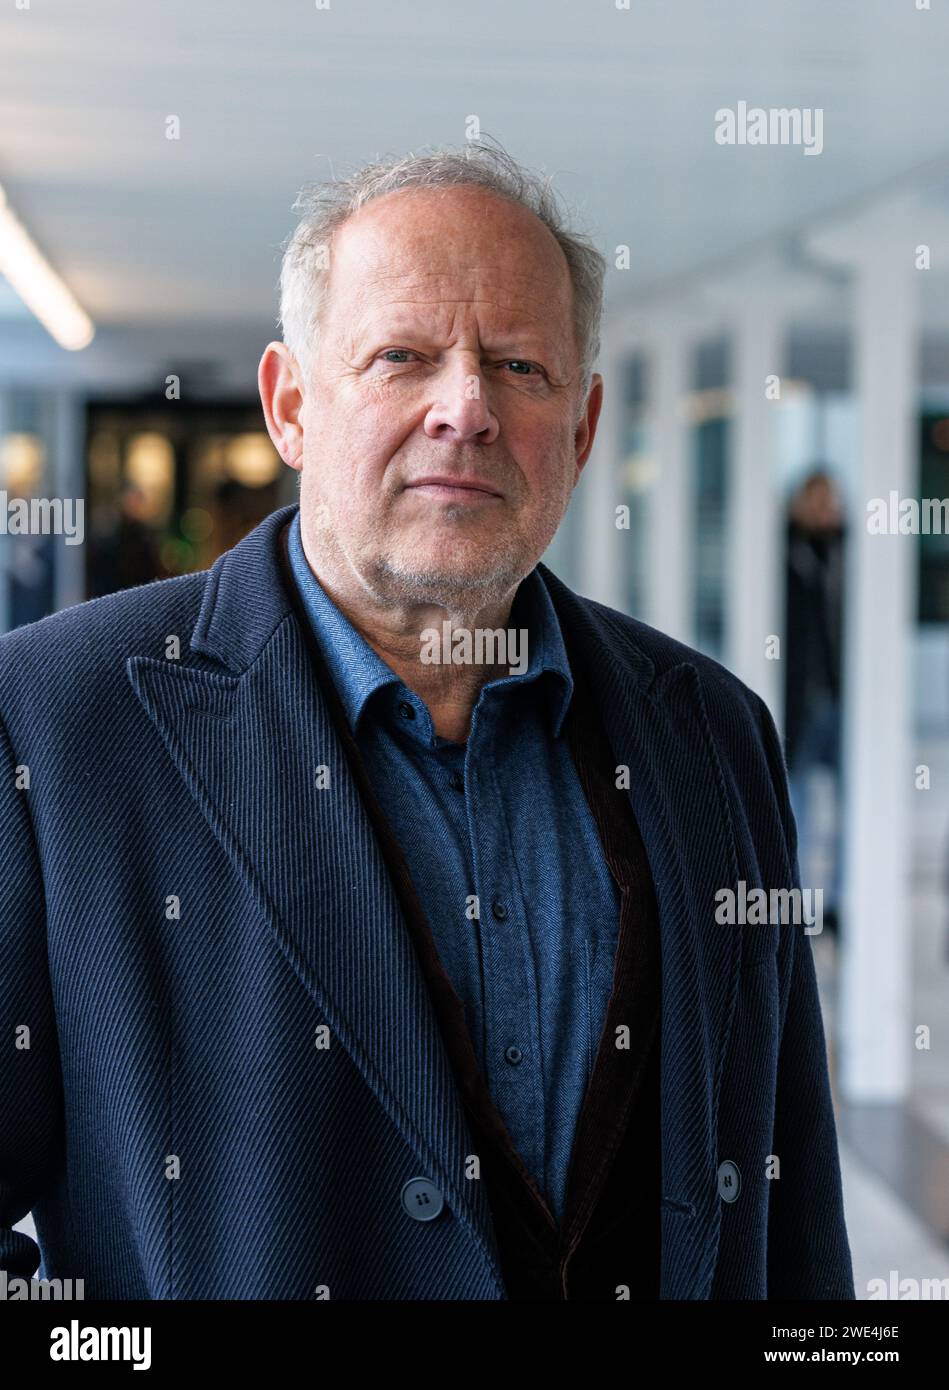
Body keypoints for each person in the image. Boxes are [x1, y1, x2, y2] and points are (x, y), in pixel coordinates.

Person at [0, 139, 854, 1300]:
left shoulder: (710, 731)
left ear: (583, 427)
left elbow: (789, 1210)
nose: (466, 409)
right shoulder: (55, 722)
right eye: (401, 356)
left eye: (519, 366)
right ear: (291, 406)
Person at [784, 469, 846, 938]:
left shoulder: (847, 556)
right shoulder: (788, 555)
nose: (824, 510)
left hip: (840, 701)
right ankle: (801, 903)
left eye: (830, 501)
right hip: (802, 704)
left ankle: (838, 906)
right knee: (798, 809)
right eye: (816, 500)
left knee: (849, 808)